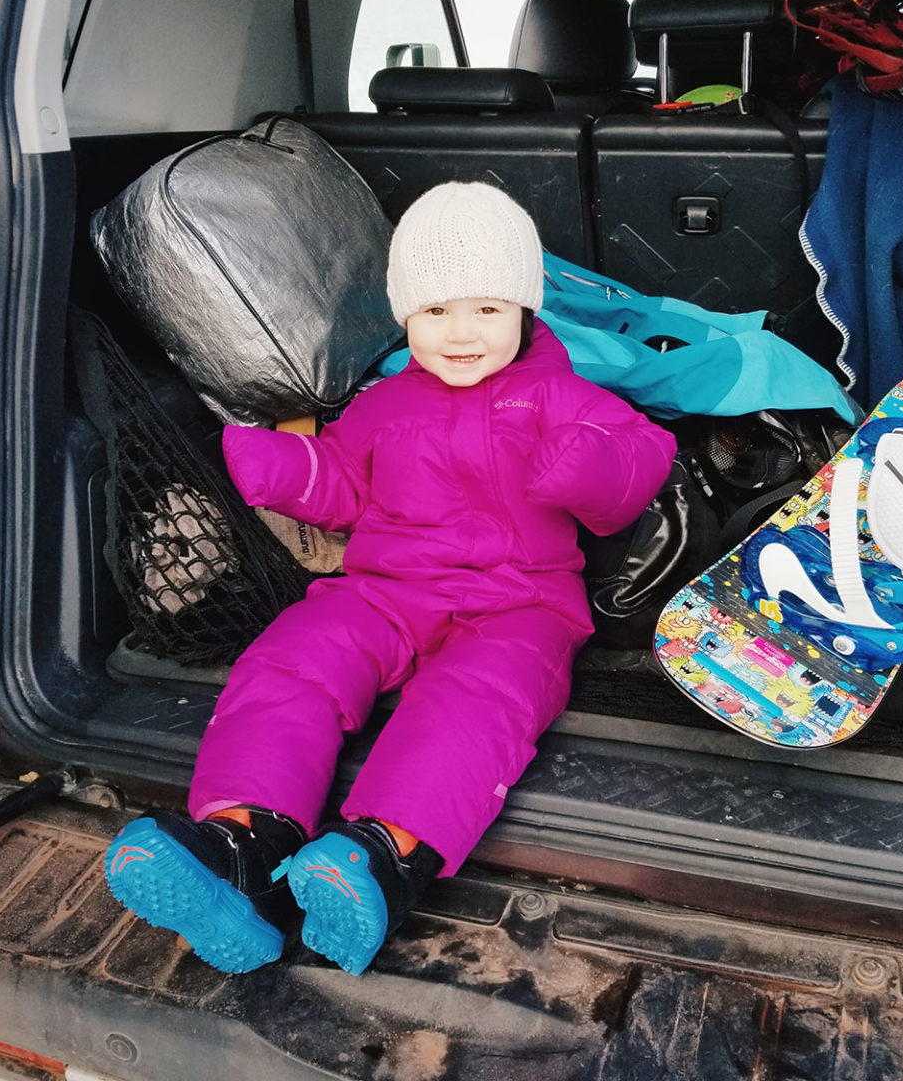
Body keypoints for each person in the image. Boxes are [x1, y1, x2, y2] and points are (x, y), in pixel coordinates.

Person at [104, 182, 677, 975]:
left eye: (486, 309)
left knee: (470, 703)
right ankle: (241, 843)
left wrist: (588, 467)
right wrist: (286, 467)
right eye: (436, 312)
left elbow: (641, 459)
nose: (462, 332)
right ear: (405, 316)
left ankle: (378, 855)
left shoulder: (563, 395)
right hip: (385, 591)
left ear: (524, 309)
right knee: (291, 660)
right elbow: (344, 485)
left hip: (519, 606)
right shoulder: (384, 403)